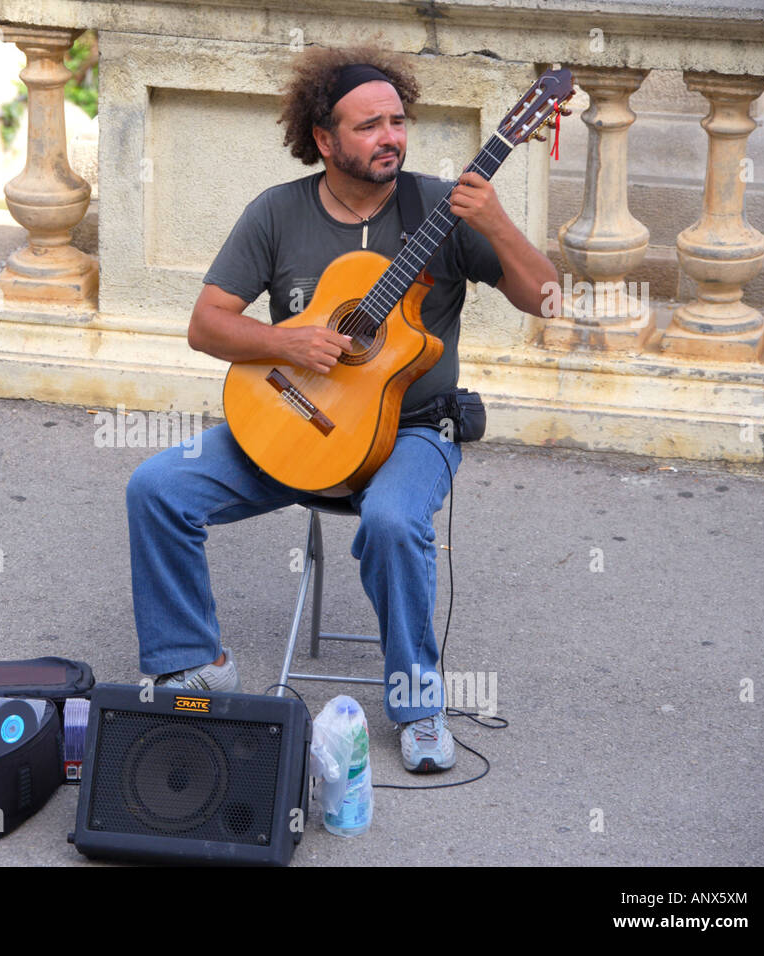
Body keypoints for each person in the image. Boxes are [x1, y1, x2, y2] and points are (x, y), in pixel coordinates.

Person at [125, 45, 556, 772]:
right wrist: (285, 341)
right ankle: (194, 664)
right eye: (369, 126)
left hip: (412, 432)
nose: (391, 137)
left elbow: (547, 300)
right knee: (157, 487)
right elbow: (206, 326)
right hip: (300, 419)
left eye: (399, 121)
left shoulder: (445, 210)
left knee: (392, 521)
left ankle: (419, 707)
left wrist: (500, 223)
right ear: (324, 139)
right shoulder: (277, 212)